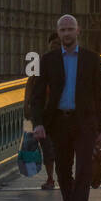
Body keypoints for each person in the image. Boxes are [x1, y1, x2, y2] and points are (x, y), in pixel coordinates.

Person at [30, 14, 101, 201]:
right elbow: (36, 96)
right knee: (64, 172)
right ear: (58, 32)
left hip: (84, 123)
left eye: (70, 29)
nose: (66, 33)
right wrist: (38, 123)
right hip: (59, 123)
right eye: (62, 30)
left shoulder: (91, 59)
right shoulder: (47, 60)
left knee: (83, 172)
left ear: (78, 31)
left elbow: (98, 95)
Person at [24, 31, 60, 189]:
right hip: (44, 115)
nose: (55, 47)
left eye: (58, 45)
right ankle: (50, 178)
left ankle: (63, 176)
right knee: (47, 149)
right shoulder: (39, 62)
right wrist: (27, 106)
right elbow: (30, 84)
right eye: (53, 44)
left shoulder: (67, 62)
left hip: (61, 113)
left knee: (61, 148)